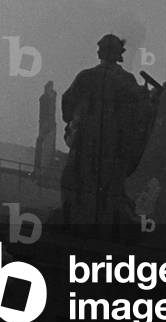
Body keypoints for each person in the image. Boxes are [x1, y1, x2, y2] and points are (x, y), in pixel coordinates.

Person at [60, 34, 158, 234]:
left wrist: (75, 123)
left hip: (86, 142)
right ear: (118, 55)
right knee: (108, 184)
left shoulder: (86, 77)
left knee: (79, 179)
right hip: (111, 145)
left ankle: (79, 217)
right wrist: (151, 99)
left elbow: (67, 104)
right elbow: (141, 110)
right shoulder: (125, 80)